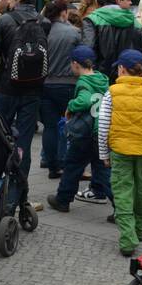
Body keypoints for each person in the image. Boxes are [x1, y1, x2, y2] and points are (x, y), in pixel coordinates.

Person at [97, 49, 142, 257]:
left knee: (122, 192)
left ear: (121, 69)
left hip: (119, 150)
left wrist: (103, 154)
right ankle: (140, 228)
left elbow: (103, 125)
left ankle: (128, 239)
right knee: (141, 190)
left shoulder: (112, 93)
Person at [0, 0, 45, 183]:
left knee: (0, 135)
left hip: (7, 87)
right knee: (24, 142)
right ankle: (19, 189)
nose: (8, 1)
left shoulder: (5, 21)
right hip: (34, 88)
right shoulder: (43, 22)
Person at [47, 45, 111, 211]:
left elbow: (85, 100)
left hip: (85, 133)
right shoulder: (101, 78)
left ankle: (63, 199)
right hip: (100, 131)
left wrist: (71, 105)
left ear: (75, 64)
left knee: (72, 165)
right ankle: (121, 206)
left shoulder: (83, 82)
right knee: (102, 170)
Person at [39, 0, 79, 179]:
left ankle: (51, 164)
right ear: (64, 13)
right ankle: (63, 162)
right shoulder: (74, 33)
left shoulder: (42, 32)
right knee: (66, 123)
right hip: (68, 83)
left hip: (46, 83)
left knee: (49, 126)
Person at [81, 0, 142, 81]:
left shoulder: (91, 20)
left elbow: (86, 51)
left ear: (96, 2)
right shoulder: (134, 21)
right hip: (129, 76)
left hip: (101, 79)